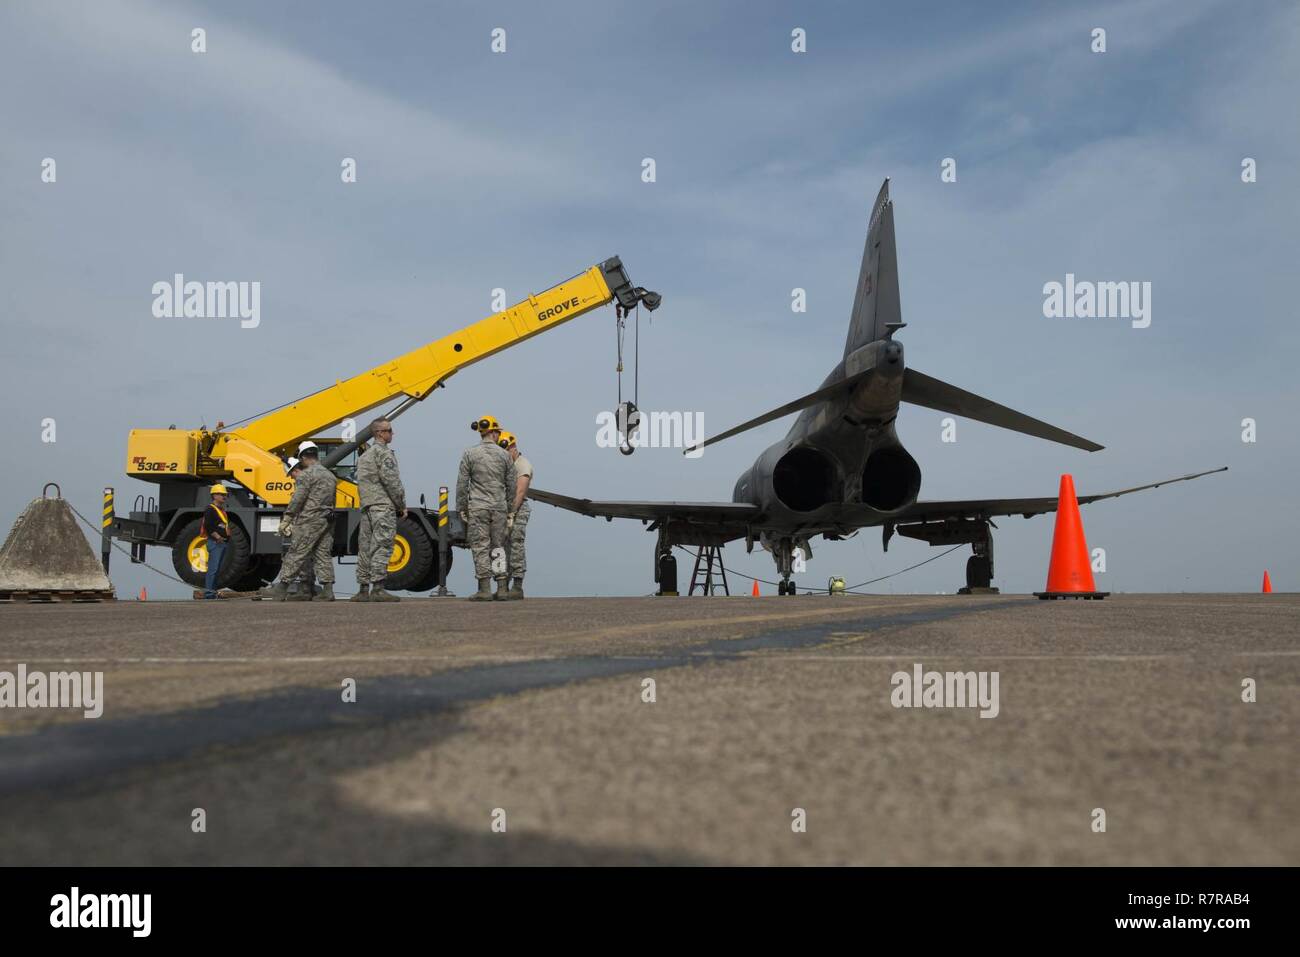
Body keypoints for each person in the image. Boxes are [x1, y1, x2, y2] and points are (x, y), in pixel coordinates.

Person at [457, 414, 516, 601]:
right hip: (499, 507)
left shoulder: (469, 454)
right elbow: (511, 484)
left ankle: (484, 589)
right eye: (498, 432)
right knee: (498, 546)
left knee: (480, 546)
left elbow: (462, 483)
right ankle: (502, 588)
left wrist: (462, 507)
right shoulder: (505, 455)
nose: (499, 435)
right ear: (492, 432)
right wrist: (509, 508)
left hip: (478, 507)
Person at [271, 443, 338, 601]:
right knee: (323, 554)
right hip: (327, 519)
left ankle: (281, 588)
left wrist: (287, 519)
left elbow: (297, 499)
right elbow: (333, 500)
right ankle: (328, 591)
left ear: (303, 457)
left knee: (297, 552)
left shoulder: (306, 475)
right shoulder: (330, 476)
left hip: (309, 519)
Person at [353, 417, 406, 602]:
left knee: (365, 548)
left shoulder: (364, 456)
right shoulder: (384, 454)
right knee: (382, 545)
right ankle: (378, 588)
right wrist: (401, 505)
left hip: (366, 507)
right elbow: (391, 482)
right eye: (389, 430)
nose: (392, 433)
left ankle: (362, 589)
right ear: (380, 433)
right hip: (382, 507)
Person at [496, 431, 532, 600]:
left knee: (516, 544)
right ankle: (503, 585)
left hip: (518, 509)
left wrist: (511, 513)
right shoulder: (506, 464)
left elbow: (520, 491)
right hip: (504, 509)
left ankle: (517, 586)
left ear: (513, 447)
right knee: (502, 548)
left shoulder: (522, 465)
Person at [200, 484, 231, 600]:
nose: (224, 496)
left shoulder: (220, 510)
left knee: (216, 569)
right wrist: (218, 537)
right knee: (213, 569)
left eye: (225, 495)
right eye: (222, 494)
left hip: (221, 543)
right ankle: (209, 594)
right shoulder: (210, 509)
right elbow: (208, 526)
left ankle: (212, 592)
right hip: (216, 542)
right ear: (214, 495)